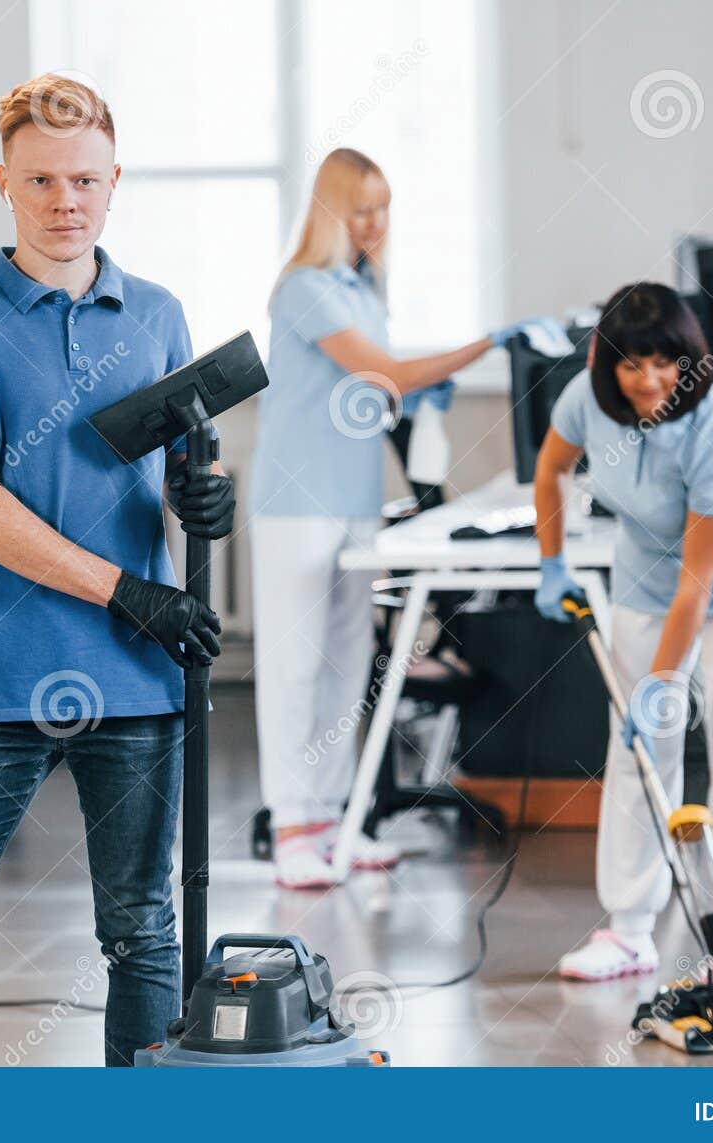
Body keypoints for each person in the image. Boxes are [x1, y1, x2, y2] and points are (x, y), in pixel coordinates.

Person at [0, 74, 236, 1067]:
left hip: (136, 678)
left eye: (85, 180)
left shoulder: (157, 314)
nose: (66, 201)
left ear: (114, 182)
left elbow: (180, 467)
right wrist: (128, 591)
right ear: (3, 183)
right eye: (41, 181)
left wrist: (203, 498)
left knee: (142, 932)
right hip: (1, 672)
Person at [247, 146, 551, 890]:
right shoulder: (303, 288)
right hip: (295, 503)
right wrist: (488, 344)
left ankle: (334, 820)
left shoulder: (364, 291)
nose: (375, 223)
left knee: (345, 665)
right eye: (361, 210)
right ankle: (290, 827)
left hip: (354, 499)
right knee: (295, 668)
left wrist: (416, 399)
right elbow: (381, 370)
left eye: (383, 208)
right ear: (331, 212)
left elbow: (377, 390)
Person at [532, 282, 713, 983]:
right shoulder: (587, 400)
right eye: (632, 363)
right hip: (646, 582)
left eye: (665, 362)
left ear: (691, 359)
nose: (649, 379)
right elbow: (552, 468)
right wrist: (552, 562)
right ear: (604, 360)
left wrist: (662, 683)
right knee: (641, 751)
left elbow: (698, 584)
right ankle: (629, 931)